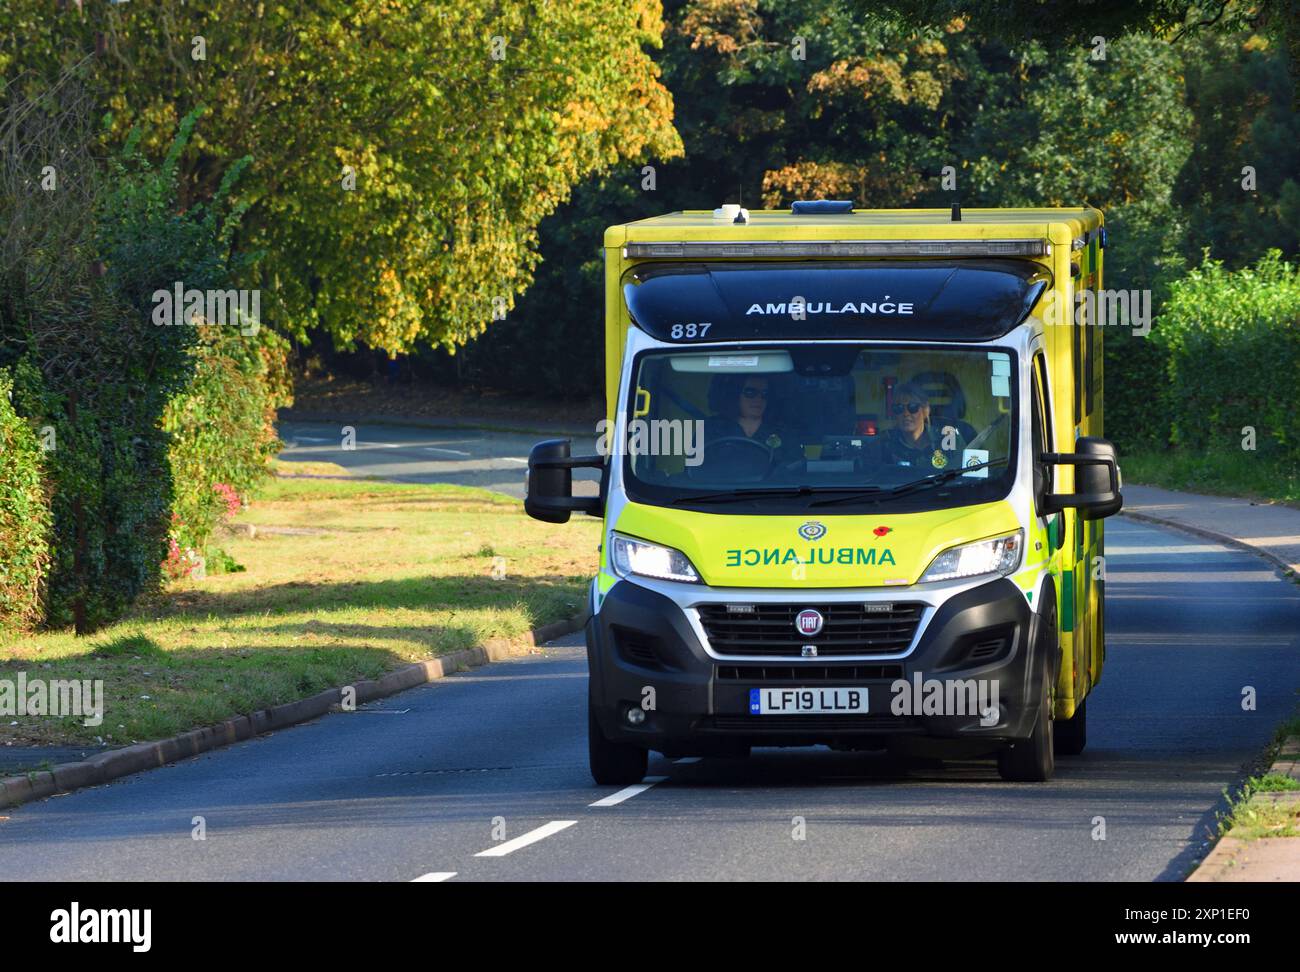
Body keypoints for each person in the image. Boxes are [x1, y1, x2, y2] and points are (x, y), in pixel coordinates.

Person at [876, 381, 965, 472]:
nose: (906, 414)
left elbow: (961, 476)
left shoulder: (949, 439)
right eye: (899, 408)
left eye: (913, 407)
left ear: (925, 410)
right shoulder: (885, 444)